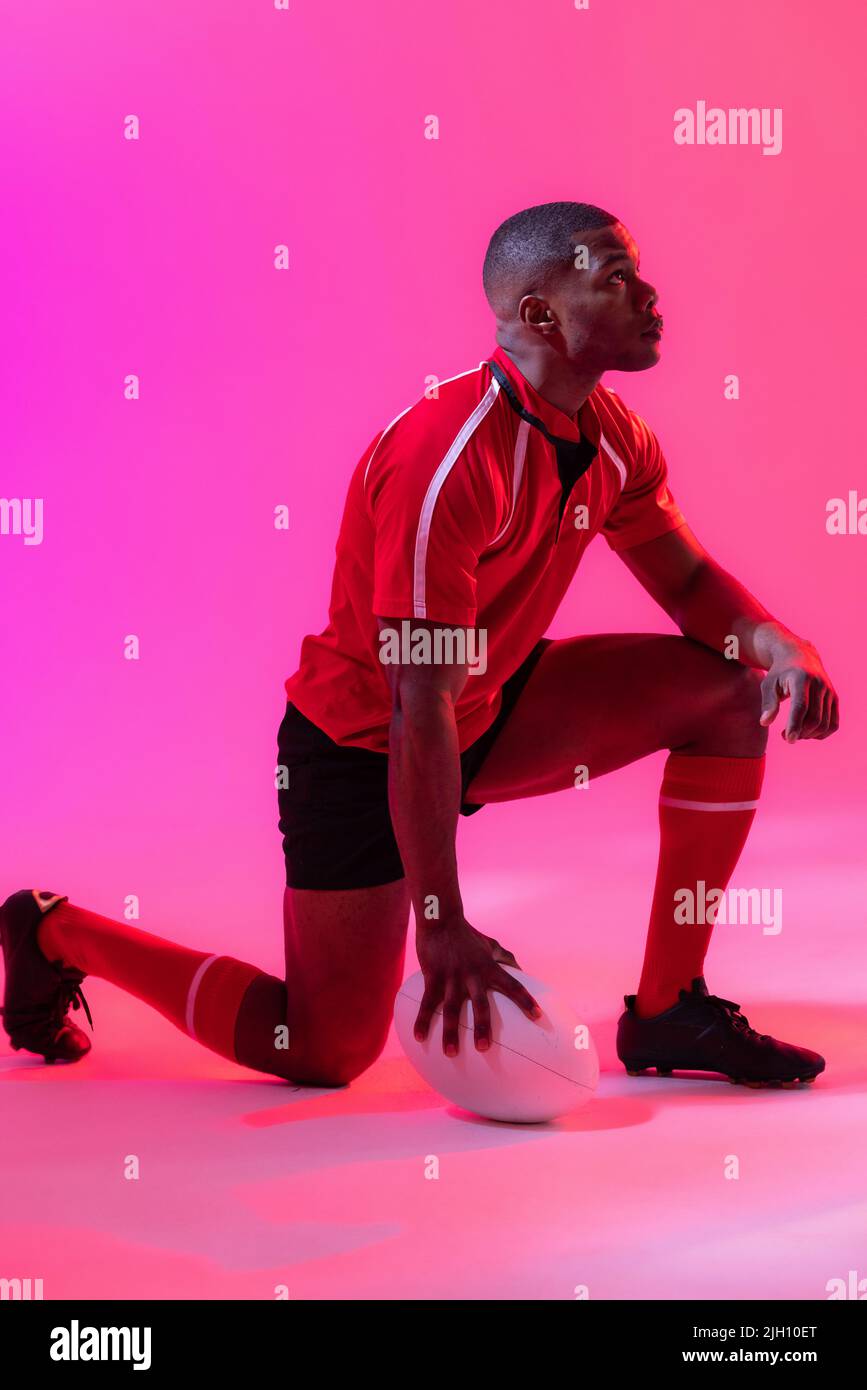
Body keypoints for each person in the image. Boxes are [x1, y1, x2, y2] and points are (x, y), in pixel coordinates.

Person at [1, 202, 838, 1089]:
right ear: (541, 316)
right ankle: (55, 930)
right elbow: (415, 707)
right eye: (616, 279)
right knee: (320, 1051)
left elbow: (687, 586)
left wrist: (780, 646)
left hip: (488, 701)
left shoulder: (613, 437)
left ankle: (670, 1011)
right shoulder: (447, 457)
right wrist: (439, 920)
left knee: (732, 695)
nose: (650, 294)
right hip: (366, 745)